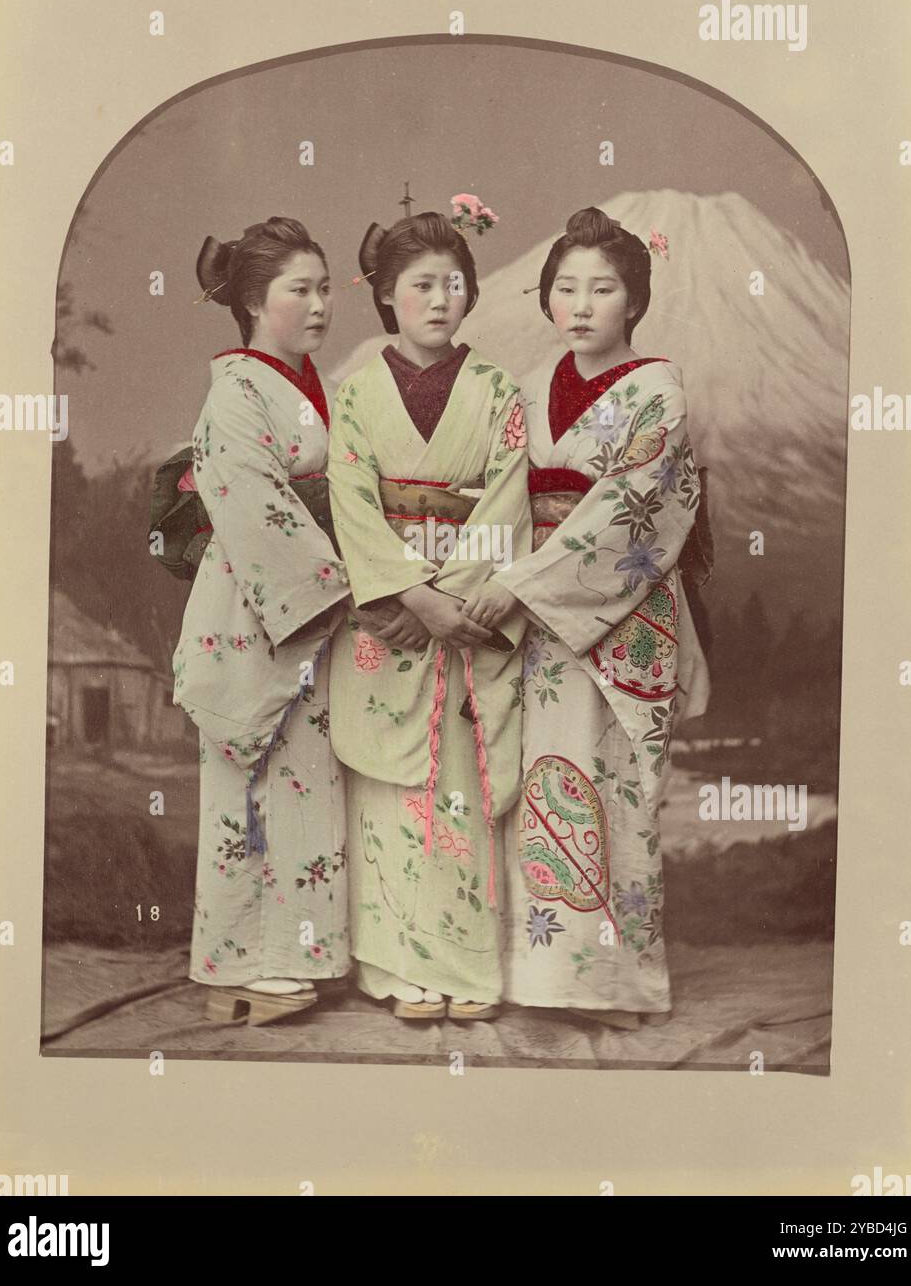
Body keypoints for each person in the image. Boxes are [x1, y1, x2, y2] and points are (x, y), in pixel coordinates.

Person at [463, 206, 710, 1024]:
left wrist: (527, 582)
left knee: (615, 787)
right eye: (564, 288)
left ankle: (612, 983)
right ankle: (539, 977)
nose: (581, 305)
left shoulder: (659, 392)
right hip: (535, 611)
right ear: (545, 299)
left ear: (633, 302)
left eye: (601, 289)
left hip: (622, 610)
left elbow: (629, 505)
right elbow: (498, 493)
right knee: (541, 778)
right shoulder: (528, 390)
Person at [327, 206, 531, 1020]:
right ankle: (394, 967)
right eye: (421, 285)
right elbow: (349, 500)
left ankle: (467, 970)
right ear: (386, 297)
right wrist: (407, 594)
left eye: (454, 283)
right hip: (388, 616)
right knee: (388, 791)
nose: (439, 299)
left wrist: (451, 600)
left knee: (460, 792)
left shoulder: (496, 390)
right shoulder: (356, 394)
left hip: (466, 609)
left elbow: (510, 495)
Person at [171, 216, 351, 1025]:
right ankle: (237, 963)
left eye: (323, 288)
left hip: (311, 610)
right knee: (248, 787)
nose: (319, 305)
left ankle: (295, 952)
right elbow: (253, 507)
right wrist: (343, 579)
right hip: (257, 608)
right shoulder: (237, 392)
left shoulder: (313, 385)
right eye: (299, 290)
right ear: (252, 300)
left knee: (304, 785)